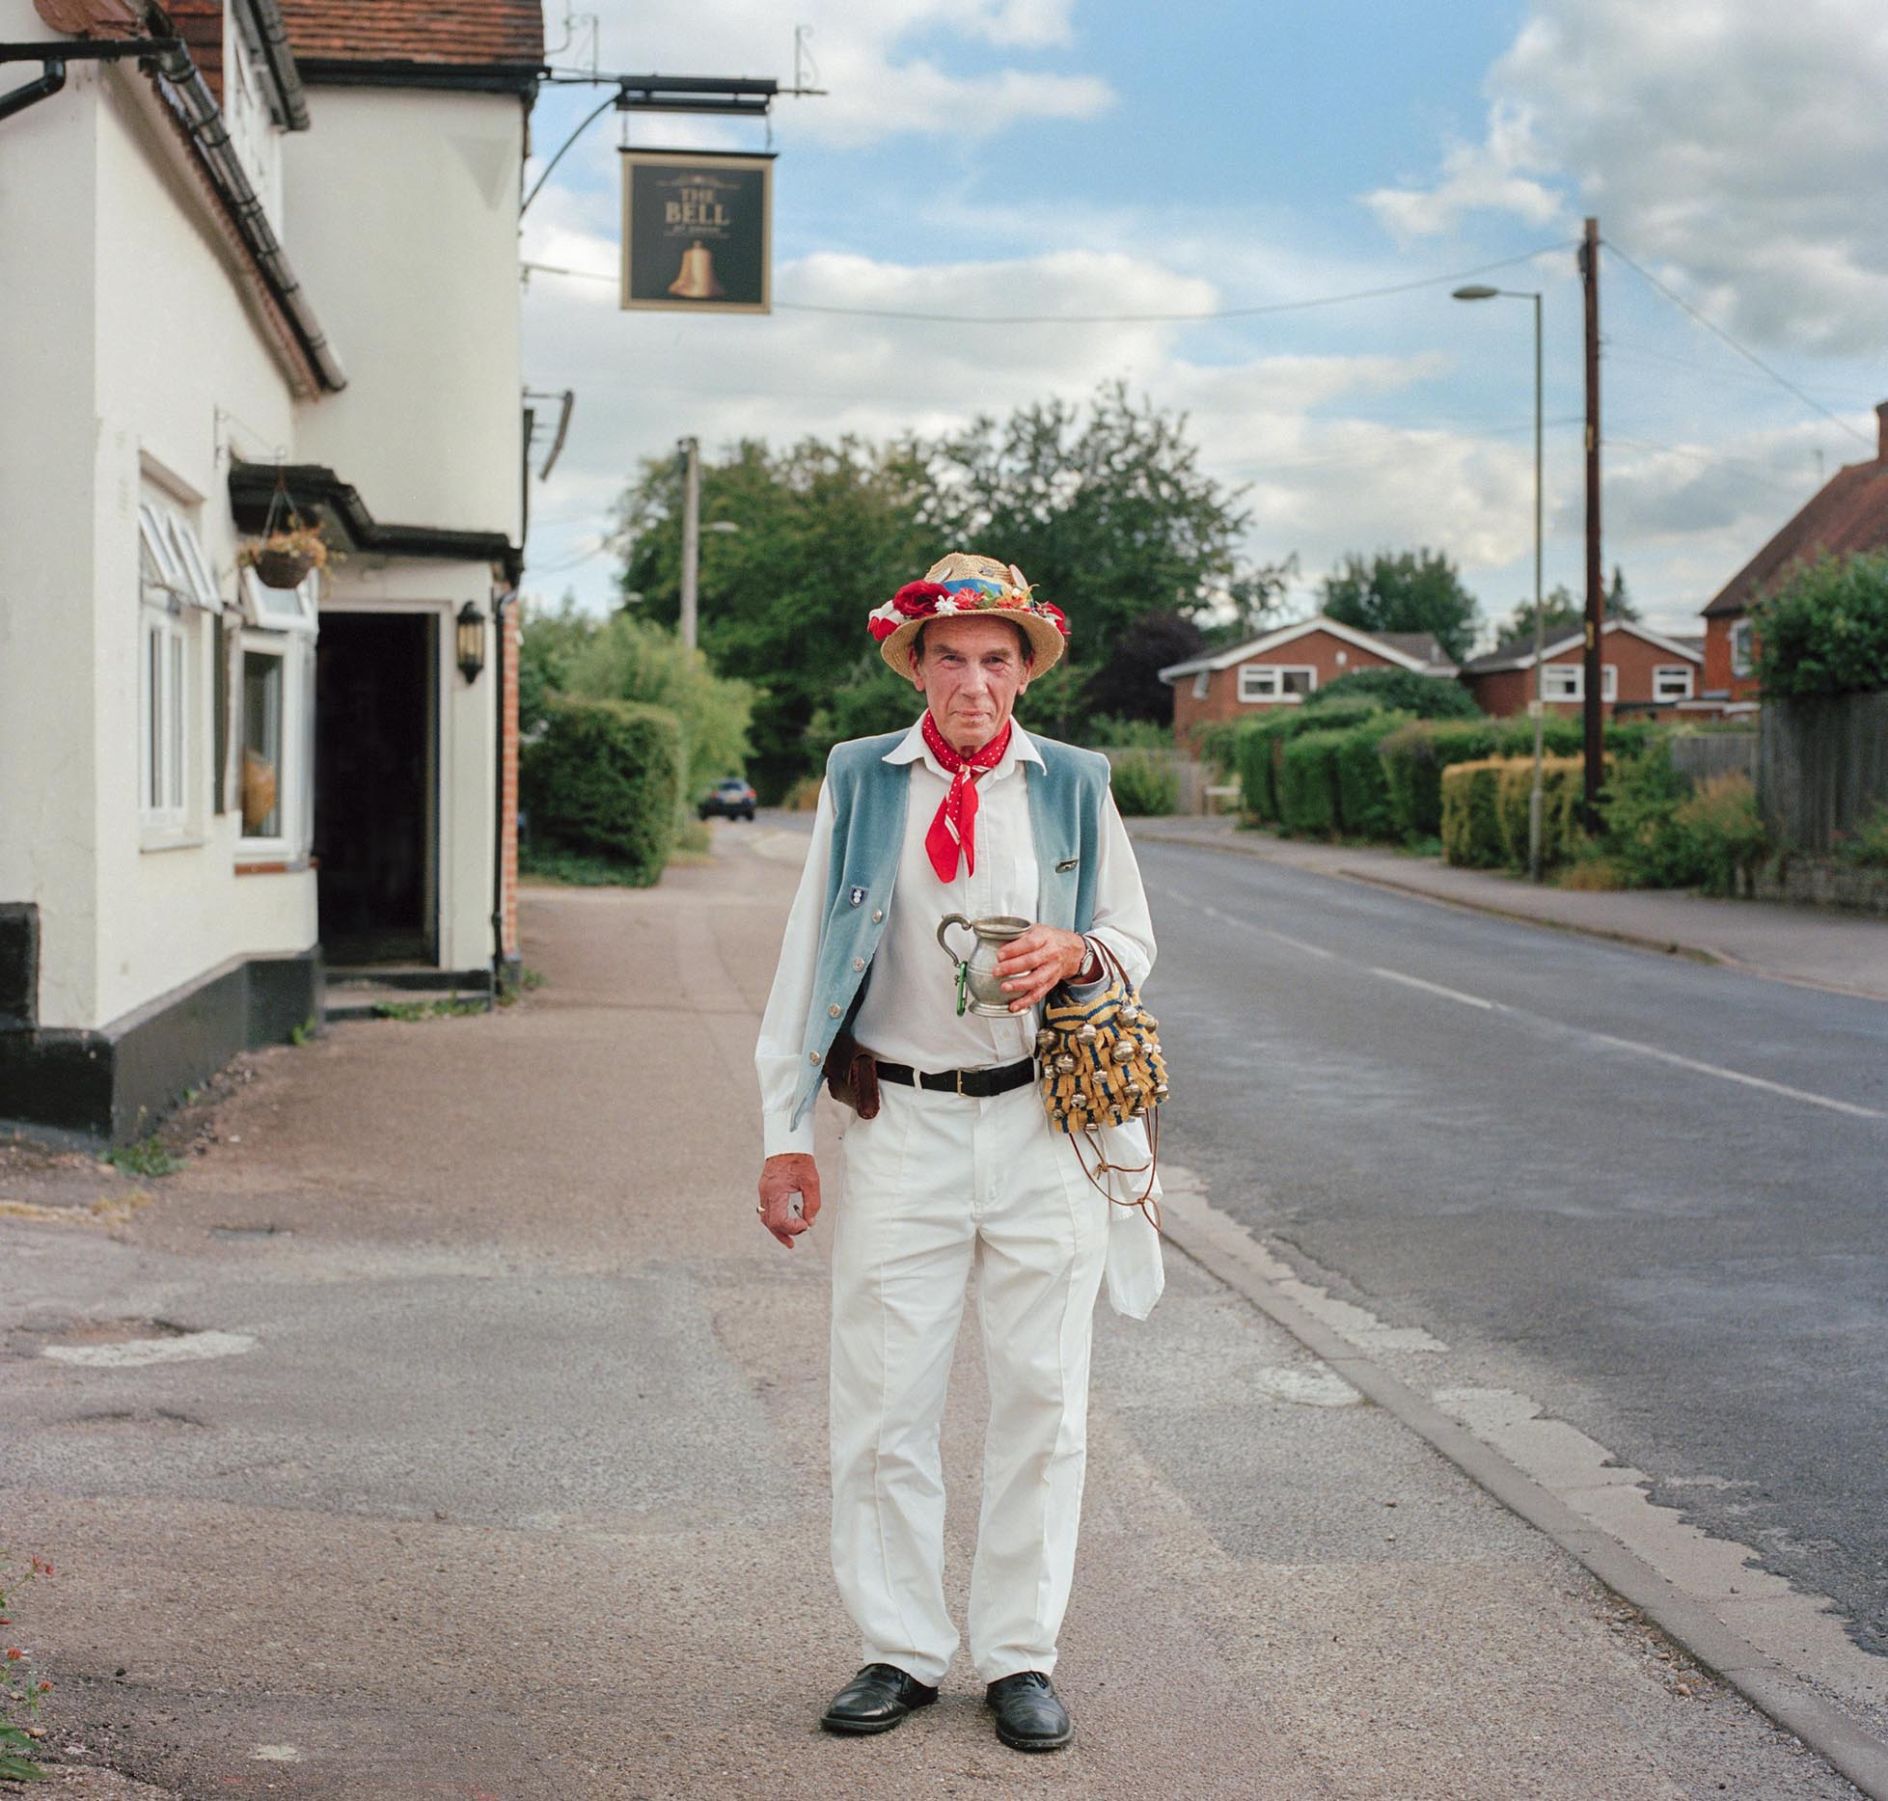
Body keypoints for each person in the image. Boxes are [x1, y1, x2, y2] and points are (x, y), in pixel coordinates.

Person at [753, 551, 1163, 1754]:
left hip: (1046, 1127)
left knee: (1044, 1398)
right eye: (951, 657)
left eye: (997, 658)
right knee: (884, 1399)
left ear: (1026, 670)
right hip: (903, 1126)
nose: (973, 680)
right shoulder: (861, 781)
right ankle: (898, 1648)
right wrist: (784, 1134)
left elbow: (1134, 932)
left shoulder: (1076, 782)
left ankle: (1019, 1655)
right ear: (917, 665)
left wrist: (1077, 954)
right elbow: (801, 968)